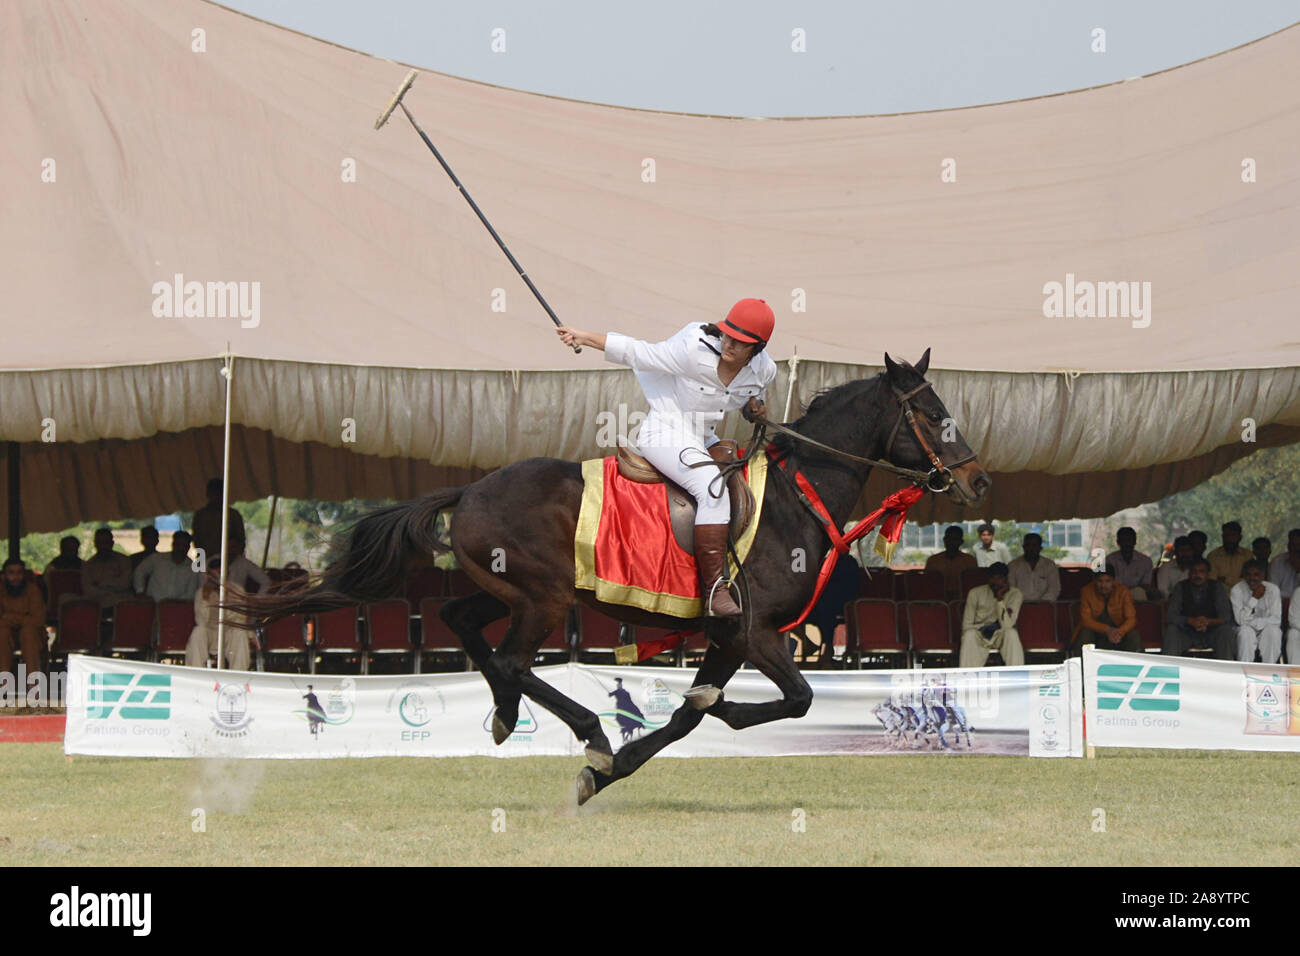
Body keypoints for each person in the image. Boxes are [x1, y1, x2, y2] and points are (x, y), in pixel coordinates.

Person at [555, 299, 778, 616]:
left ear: (756, 349)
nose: (728, 344)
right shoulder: (693, 347)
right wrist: (584, 337)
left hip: (704, 438)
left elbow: (754, 394)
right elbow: (638, 352)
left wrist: (754, 407)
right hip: (666, 432)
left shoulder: (765, 370)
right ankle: (715, 589)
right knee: (712, 489)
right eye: (727, 334)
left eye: (739, 342)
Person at [184, 560, 256, 670]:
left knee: (240, 632)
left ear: (226, 574)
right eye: (213, 575)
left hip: (230, 633)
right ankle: (196, 673)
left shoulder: (237, 590)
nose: (216, 578)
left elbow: (240, 619)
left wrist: (226, 597)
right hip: (211, 633)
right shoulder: (201, 592)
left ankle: (238, 676)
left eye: (219, 574)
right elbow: (201, 620)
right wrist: (206, 597)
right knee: (198, 631)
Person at [1163, 558, 1235, 659]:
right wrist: (1189, 621)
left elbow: (1226, 616)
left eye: (1201, 571)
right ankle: (1167, 671)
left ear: (1208, 574)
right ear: (1189, 573)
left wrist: (1208, 622)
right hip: (1187, 632)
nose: (1197, 575)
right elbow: (1171, 616)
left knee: (1226, 631)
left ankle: (1228, 670)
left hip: (1212, 631)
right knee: (1172, 630)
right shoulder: (1181, 587)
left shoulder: (1217, 587)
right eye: (1194, 572)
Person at [959, 562, 1023, 667]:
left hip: (1000, 634)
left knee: (1011, 633)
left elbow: (1007, 625)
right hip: (979, 633)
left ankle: (1017, 674)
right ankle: (968, 677)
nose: (995, 581)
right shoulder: (975, 593)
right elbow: (966, 626)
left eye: (999, 578)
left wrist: (1000, 599)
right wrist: (985, 628)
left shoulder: (1015, 594)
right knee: (968, 635)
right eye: (993, 577)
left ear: (1006, 579)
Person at [1071, 564, 1140, 655]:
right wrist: (1107, 630)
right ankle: (1081, 666)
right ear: (1095, 581)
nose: (1103, 585)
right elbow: (1086, 620)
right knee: (1085, 633)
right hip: (1096, 632)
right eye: (1100, 581)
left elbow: (1131, 619)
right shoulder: (1087, 591)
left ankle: (1135, 666)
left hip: (1118, 632)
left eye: (1108, 581)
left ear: (1114, 581)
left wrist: (1120, 632)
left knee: (1133, 635)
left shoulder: (1123, 591)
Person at [0, 559, 46, 691]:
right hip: (7, 635)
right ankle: (3, 684)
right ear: (4, 575)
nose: (15, 577)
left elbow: (38, 619)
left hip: (32, 636)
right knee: (2, 632)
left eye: (19, 573)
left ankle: (33, 686)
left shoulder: (33, 590)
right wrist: (22, 617)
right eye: (11, 573)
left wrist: (10, 617)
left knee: (28, 632)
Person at [1230, 559, 1283, 663]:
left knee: (1273, 631)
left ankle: (1270, 669)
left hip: (1265, 629)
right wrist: (1254, 598)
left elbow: (1276, 620)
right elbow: (1240, 621)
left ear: (1263, 576)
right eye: (1248, 575)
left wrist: (1254, 623)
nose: (1252, 578)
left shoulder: (1273, 589)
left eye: (1256, 575)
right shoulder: (1237, 590)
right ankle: (1244, 669)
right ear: (1244, 576)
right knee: (1245, 632)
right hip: (1245, 629)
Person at [191, 478, 246, 572]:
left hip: (229, 562)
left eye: (219, 493)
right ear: (208, 494)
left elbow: (240, 541)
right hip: (205, 560)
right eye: (214, 493)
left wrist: (232, 557)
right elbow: (196, 541)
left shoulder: (233, 515)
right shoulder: (200, 515)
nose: (216, 496)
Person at [132, 531, 201, 602]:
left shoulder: (192, 568)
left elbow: (190, 594)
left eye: (184, 545)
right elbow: (139, 572)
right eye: (178, 545)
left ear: (188, 547)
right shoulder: (156, 559)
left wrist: (172, 603)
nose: (180, 548)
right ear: (173, 545)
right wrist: (140, 592)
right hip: (152, 605)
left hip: (177, 608)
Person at [81, 528, 134, 607]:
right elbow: (88, 589)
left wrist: (102, 584)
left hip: (121, 601)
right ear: (95, 544)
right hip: (96, 601)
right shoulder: (89, 565)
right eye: (100, 543)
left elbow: (125, 584)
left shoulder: (124, 561)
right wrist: (110, 587)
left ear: (112, 543)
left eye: (106, 542)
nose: (103, 546)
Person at [925, 525, 978, 601]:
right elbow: (927, 584)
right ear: (944, 540)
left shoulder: (969, 561)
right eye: (948, 539)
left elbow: (973, 584)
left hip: (963, 601)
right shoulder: (933, 560)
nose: (951, 542)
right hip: (938, 601)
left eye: (955, 539)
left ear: (961, 542)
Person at [1006, 532, 1060, 602]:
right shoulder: (1013, 565)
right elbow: (1011, 588)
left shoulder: (1050, 565)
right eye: (1028, 545)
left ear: (1040, 548)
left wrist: (1042, 603)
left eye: (1034, 545)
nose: (1031, 548)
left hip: (1045, 605)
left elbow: (1054, 588)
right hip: (1019, 606)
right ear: (1023, 547)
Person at [1106, 527, 1153, 600]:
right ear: (1118, 542)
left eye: (1129, 540)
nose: (1127, 544)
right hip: (1114, 595)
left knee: (1139, 592)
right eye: (1124, 540)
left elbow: (1146, 585)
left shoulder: (1146, 561)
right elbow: (1104, 583)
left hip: (1137, 597)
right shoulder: (1109, 560)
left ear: (1135, 541)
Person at [1207, 521, 1251, 588]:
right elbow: (1212, 581)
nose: (1229, 539)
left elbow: (1249, 580)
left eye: (1233, 535)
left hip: (1242, 595)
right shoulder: (1213, 556)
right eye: (1226, 535)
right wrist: (1238, 580)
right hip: (1219, 596)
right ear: (1222, 537)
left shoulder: (1247, 555)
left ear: (1240, 537)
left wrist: (1225, 579)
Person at [1154, 535, 1195, 600]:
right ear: (1175, 552)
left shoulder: (1197, 568)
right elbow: (1163, 591)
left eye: (1188, 550)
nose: (1185, 553)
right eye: (1181, 550)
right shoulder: (1166, 567)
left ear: (1193, 552)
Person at [1267, 529, 1300, 600]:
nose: (1297, 548)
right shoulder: (1277, 562)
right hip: (1280, 605)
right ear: (1288, 545)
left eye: (1299, 545)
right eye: (1293, 545)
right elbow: (1272, 591)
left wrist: (1298, 570)